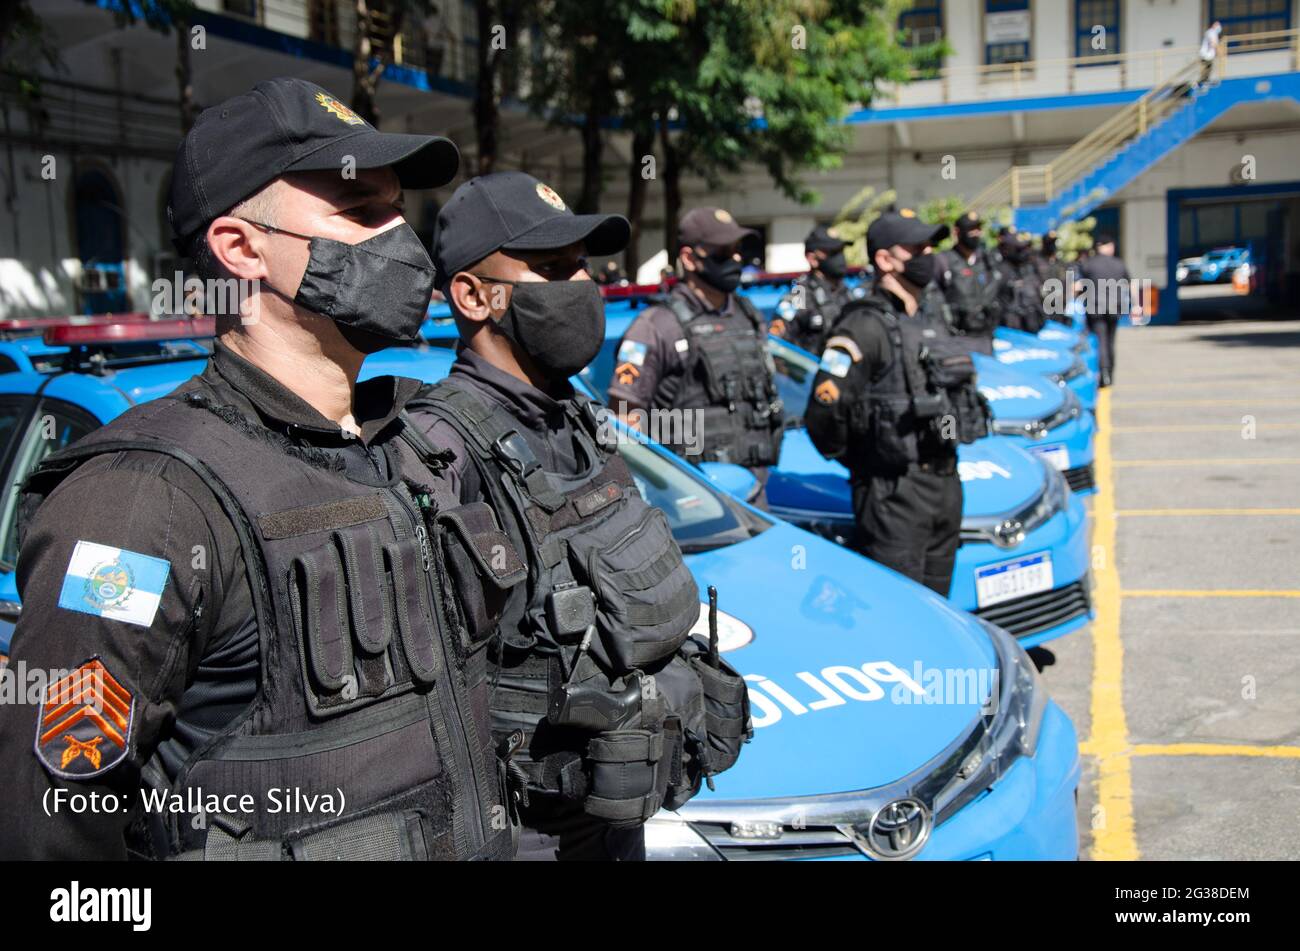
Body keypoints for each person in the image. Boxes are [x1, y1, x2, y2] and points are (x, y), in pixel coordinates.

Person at [0, 78, 520, 861]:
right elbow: (52, 842)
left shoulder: (410, 446)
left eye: (397, 208)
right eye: (361, 210)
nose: (400, 238)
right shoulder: (139, 503)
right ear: (241, 248)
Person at [406, 172, 750, 861]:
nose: (579, 286)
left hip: (617, 807)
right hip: (526, 832)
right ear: (474, 295)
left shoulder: (577, 420)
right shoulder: (439, 451)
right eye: (552, 269)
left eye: (580, 266)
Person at [804, 210, 991, 595]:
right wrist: (868, 463)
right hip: (894, 495)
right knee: (901, 612)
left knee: (940, 611)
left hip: (944, 484)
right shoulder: (864, 325)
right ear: (885, 259)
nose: (928, 255)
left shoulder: (931, 317)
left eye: (930, 246)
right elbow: (823, 414)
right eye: (917, 248)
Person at [608, 207, 783, 507]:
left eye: (738, 249)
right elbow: (624, 422)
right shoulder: (656, 326)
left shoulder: (748, 315)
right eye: (723, 252)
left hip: (754, 497)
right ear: (689, 258)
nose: (737, 258)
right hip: (688, 508)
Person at [770, 224, 865, 356]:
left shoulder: (849, 293)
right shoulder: (800, 295)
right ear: (812, 259)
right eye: (833, 253)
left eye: (841, 251)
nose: (841, 258)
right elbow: (777, 344)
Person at [1075, 232, 1138, 387]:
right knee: (1110, 341)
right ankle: (1110, 372)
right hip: (1115, 307)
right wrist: (1136, 305)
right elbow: (1132, 284)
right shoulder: (1119, 264)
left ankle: (1103, 373)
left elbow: (1077, 286)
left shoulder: (1088, 264)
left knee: (1100, 341)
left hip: (1095, 308)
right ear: (1107, 247)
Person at [935, 211, 1003, 352]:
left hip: (986, 337)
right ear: (957, 232)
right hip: (958, 340)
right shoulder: (944, 261)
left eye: (978, 228)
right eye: (971, 229)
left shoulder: (987, 260)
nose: (976, 233)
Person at [994, 229, 1048, 333]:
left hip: (1030, 331)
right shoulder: (1000, 271)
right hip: (1007, 333)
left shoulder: (1028, 270)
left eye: (1027, 248)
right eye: (1020, 249)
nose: (1025, 252)